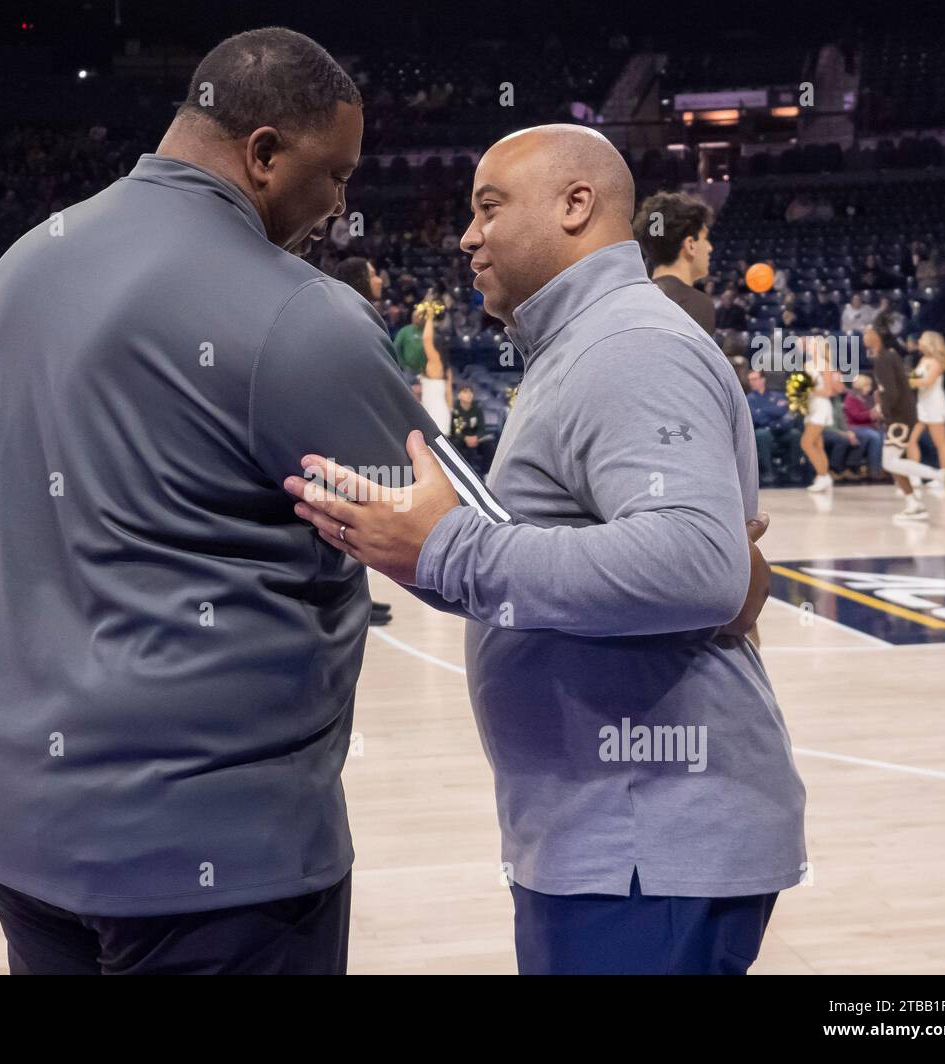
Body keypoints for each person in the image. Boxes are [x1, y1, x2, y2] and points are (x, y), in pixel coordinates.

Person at [0, 28, 502, 976]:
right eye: (335, 175)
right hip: (212, 861)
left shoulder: (14, 272)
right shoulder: (297, 311)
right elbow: (479, 543)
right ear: (264, 153)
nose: (340, 206)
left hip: (13, 826)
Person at [287, 124, 802, 975]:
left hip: (645, 845)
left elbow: (698, 565)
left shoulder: (627, 346)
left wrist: (446, 550)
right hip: (612, 838)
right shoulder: (583, 345)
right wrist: (422, 540)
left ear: (576, 206)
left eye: (489, 208)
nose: (467, 235)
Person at [331, 254, 394, 627]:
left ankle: (360, 599)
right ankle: (351, 602)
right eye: (374, 272)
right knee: (346, 519)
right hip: (345, 430)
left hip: (351, 426)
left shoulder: (352, 310)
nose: (380, 278)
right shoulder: (350, 314)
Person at [865, 321, 943, 520]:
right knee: (893, 462)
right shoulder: (887, 356)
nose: (864, 335)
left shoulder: (885, 357)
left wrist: (881, 408)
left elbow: (891, 392)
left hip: (899, 417)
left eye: (868, 332)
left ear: (877, 336)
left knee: (890, 462)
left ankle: (943, 476)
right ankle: (914, 504)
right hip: (902, 415)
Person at [632, 191, 715, 333]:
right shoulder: (699, 304)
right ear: (690, 245)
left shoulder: (632, 300)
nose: (710, 247)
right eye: (705, 238)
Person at [907, 330, 945, 486]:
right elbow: (916, 379)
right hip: (922, 403)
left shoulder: (936, 362)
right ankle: (914, 474)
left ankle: (944, 475)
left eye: (921, 339)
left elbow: (928, 381)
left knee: (940, 442)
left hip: (934, 403)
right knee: (910, 439)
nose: (919, 341)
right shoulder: (923, 360)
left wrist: (908, 381)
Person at [746, 369, 798, 486]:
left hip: (780, 430)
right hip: (763, 431)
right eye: (750, 380)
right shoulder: (749, 399)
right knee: (762, 434)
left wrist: (764, 411)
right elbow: (756, 418)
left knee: (795, 434)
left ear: (763, 379)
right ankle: (768, 471)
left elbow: (786, 413)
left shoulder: (778, 395)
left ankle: (792, 470)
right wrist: (774, 412)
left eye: (754, 379)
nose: (752, 383)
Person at [800, 336, 839, 494]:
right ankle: (822, 475)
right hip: (811, 406)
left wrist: (809, 391)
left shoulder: (825, 366)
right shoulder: (807, 364)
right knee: (817, 444)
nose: (809, 346)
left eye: (813, 344)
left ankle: (823, 476)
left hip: (821, 406)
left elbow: (829, 391)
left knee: (806, 443)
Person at [417, 293, 453, 433]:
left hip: (435, 414)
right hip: (440, 413)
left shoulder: (435, 361)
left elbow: (426, 339)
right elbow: (449, 393)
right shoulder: (445, 367)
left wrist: (430, 317)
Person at [842, 373, 885, 481]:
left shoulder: (868, 398)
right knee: (873, 436)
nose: (869, 388)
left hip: (868, 426)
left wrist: (878, 414)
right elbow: (856, 416)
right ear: (860, 385)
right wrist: (871, 414)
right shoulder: (851, 397)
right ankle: (874, 470)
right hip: (854, 426)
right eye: (867, 386)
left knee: (883, 435)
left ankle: (880, 468)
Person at [449, 382, 493, 474]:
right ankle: (459, 473)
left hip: (475, 438)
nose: (469, 394)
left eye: (470, 392)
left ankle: (486, 473)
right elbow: (456, 430)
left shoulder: (477, 409)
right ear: (459, 395)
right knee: (456, 443)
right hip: (460, 438)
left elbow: (482, 428)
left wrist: (476, 437)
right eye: (465, 392)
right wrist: (466, 438)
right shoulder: (455, 410)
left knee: (489, 445)